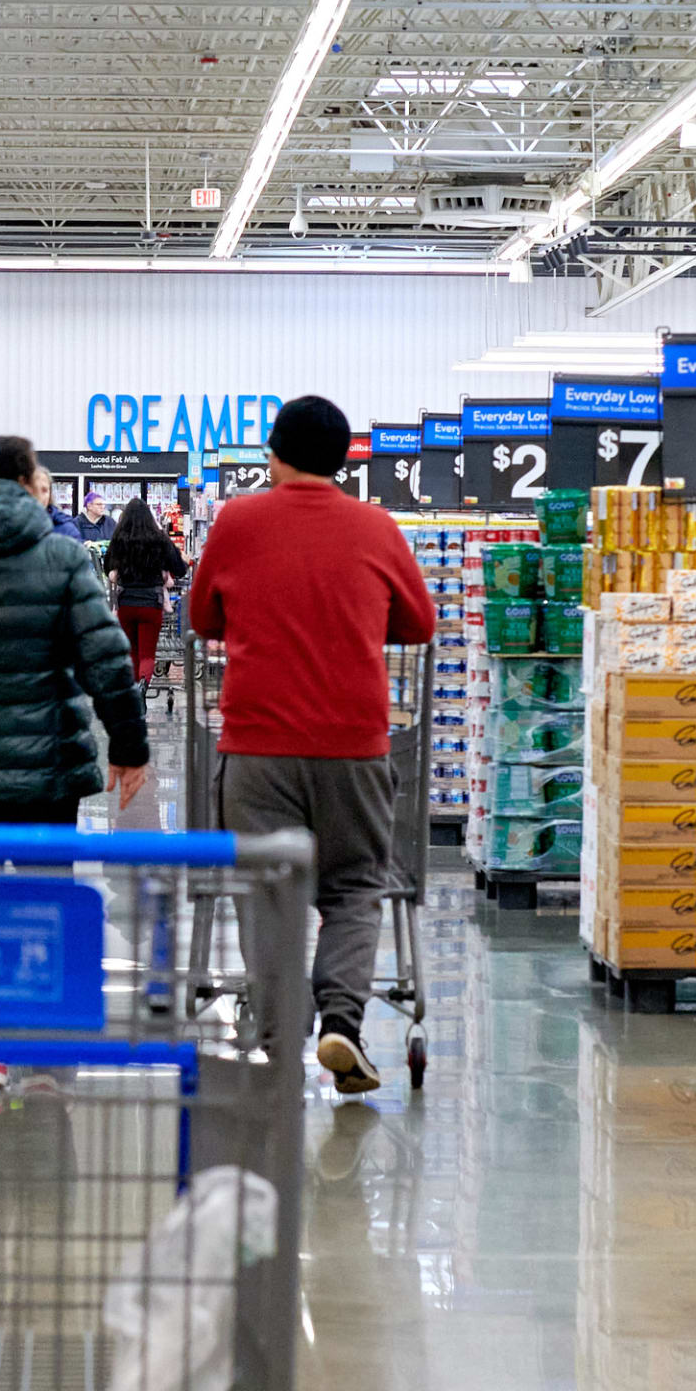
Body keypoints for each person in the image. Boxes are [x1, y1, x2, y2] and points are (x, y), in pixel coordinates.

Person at [186, 393, 436, 1094]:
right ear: (343, 461)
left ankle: (274, 1031)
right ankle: (341, 1023)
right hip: (355, 743)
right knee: (356, 884)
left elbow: (203, 614)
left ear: (274, 452)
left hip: (258, 744)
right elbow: (418, 622)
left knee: (266, 888)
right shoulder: (376, 525)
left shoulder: (238, 520)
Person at [0, 435, 150, 828]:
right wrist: (128, 750)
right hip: (50, 772)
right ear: (27, 483)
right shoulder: (63, 558)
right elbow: (105, 661)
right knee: (47, 888)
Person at [105, 496, 187, 684]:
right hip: (152, 603)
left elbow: (107, 566)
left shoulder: (118, 538)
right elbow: (180, 569)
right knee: (147, 655)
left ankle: (134, 694)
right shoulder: (159, 539)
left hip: (126, 602)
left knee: (132, 652)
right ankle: (143, 690)